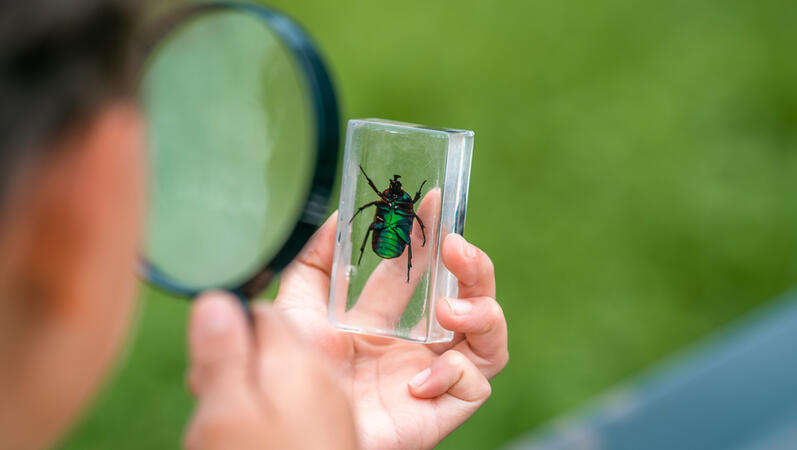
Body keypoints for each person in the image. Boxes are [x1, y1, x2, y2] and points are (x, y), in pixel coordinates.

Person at [0, 1, 508, 449]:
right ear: (79, 209)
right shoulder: (396, 213)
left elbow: (383, 220)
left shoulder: (383, 209)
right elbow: (399, 229)